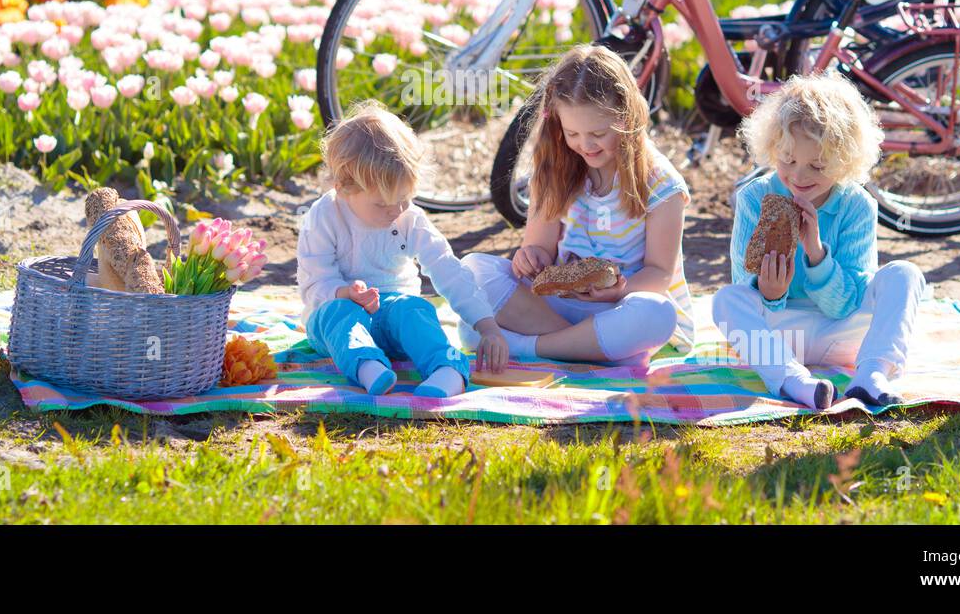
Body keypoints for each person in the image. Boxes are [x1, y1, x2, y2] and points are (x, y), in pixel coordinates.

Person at [461, 45, 692, 366]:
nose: (585, 145)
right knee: (473, 270)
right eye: (573, 133)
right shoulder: (555, 169)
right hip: (558, 305)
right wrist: (531, 258)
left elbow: (659, 273)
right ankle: (587, 346)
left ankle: (529, 347)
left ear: (627, 119)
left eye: (598, 133)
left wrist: (614, 292)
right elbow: (539, 250)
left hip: (622, 305)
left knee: (658, 314)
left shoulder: (659, 181)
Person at [712, 72, 928, 409]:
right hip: (780, 335)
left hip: (842, 335)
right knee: (726, 300)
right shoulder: (756, 197)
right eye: (788, 160)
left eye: (817, 165)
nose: (799, 176)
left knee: (905, 274)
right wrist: (770, 293)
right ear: (772, 149)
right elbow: (743, 285)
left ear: (845, 161)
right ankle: (791, 381)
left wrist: (816, 254)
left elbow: (848, 302)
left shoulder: (856, 205)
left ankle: (872, 375)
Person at [296, 100, 508, 397]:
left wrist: (487, 325)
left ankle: (446, 370)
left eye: (405, 198)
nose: (396, 210)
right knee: (337, 314)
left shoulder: (409, 218)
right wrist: (346, 293)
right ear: (344, 188)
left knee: (416, 310)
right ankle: (369, 368)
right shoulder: (323, 216)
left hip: (394, 317)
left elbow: (447, 268)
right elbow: (314, 282)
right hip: (338, 320)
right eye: (382, 204)